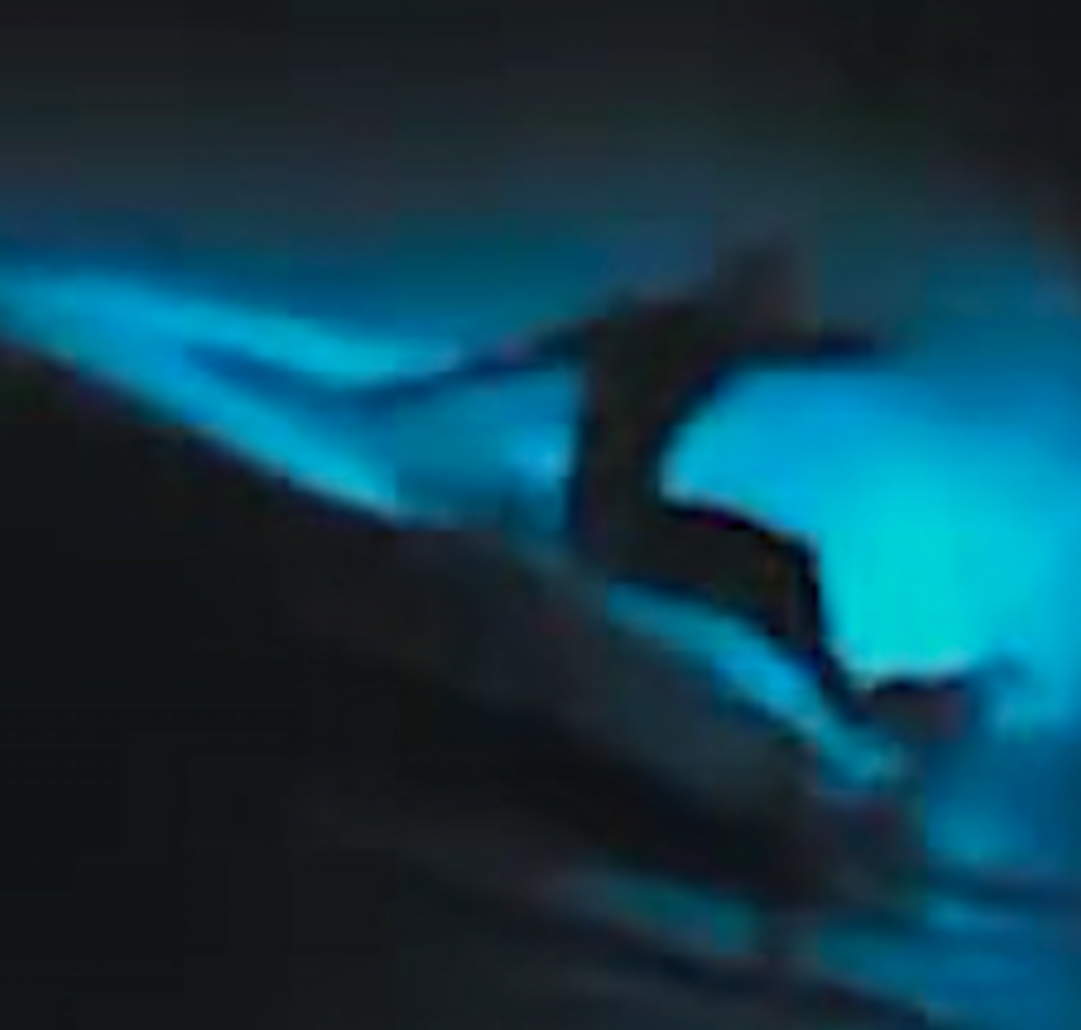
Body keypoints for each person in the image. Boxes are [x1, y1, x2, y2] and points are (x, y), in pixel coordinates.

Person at [365, 241, 889, 721]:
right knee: (779, 571)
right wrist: (403, 393)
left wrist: (406, 392)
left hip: (610, 522)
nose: (775, 315)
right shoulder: (673, 334)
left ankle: (829, 701)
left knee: (781, 569)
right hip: (615, 535)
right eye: (771, 301)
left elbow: (509, 361)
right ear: (733, 294)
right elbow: (515, 359)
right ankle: (838, 713)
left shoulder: (691, 331)